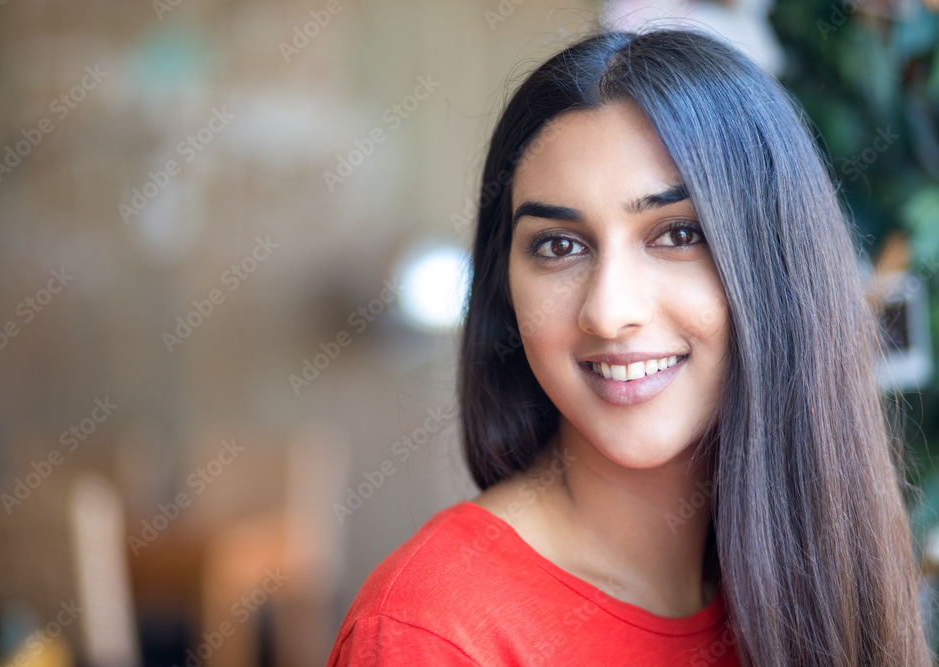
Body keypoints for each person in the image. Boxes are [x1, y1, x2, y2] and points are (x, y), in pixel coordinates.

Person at [327, 27, 932, 666]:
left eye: (676, 234)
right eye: (559, 246)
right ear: (504, 287)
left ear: (778, 265)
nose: (609, 313)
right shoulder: (432, 633)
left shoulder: (828, 577)